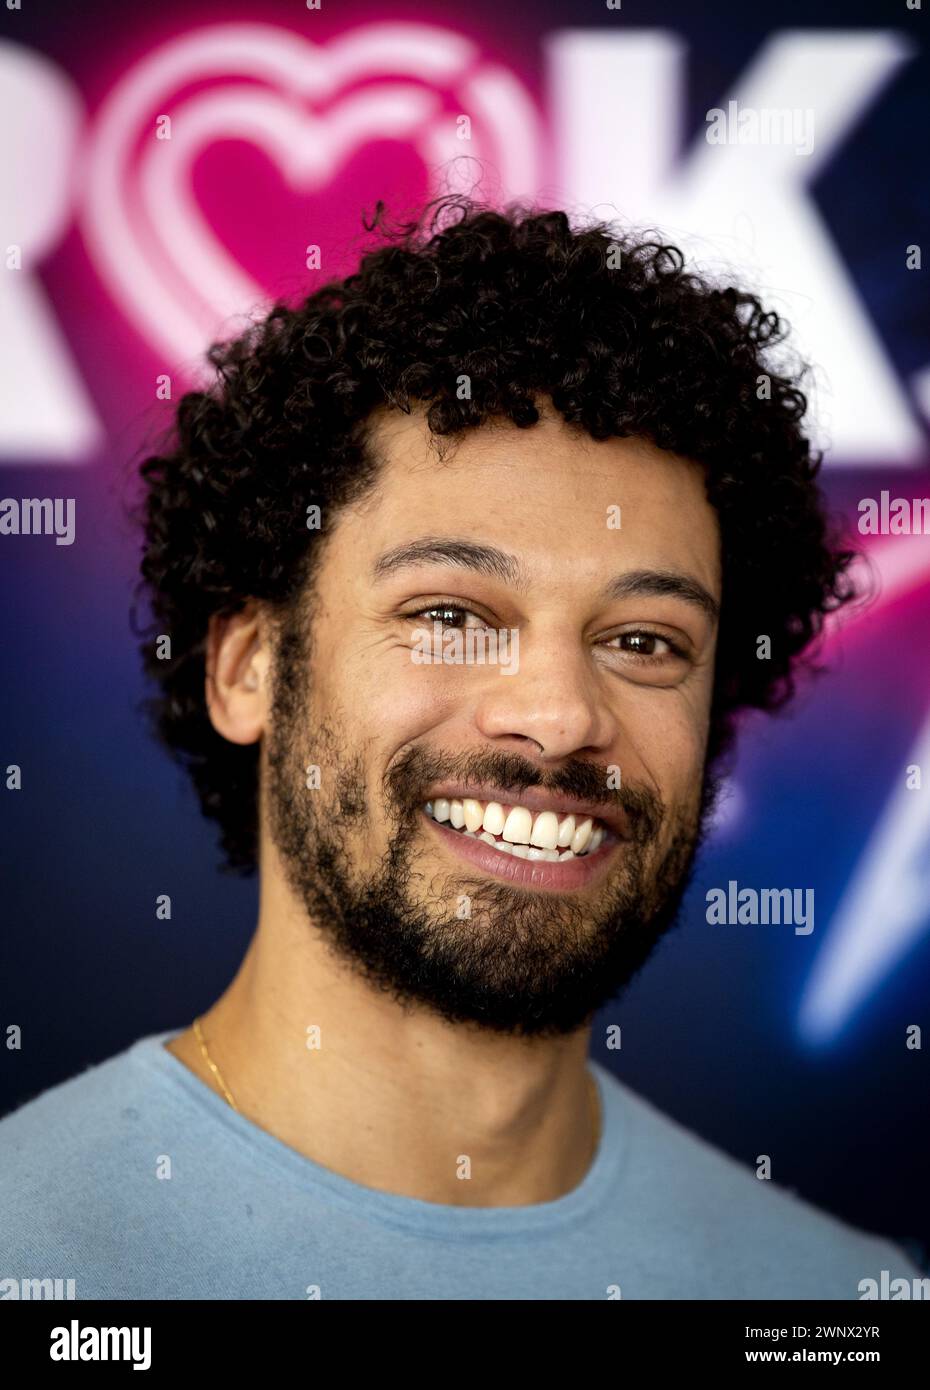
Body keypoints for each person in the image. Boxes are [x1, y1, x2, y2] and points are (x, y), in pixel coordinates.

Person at [1, 197, 922, 1300]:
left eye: (643, 640)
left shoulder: (835, 1298)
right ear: (247, 666)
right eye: (447, 614)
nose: (560, 714)